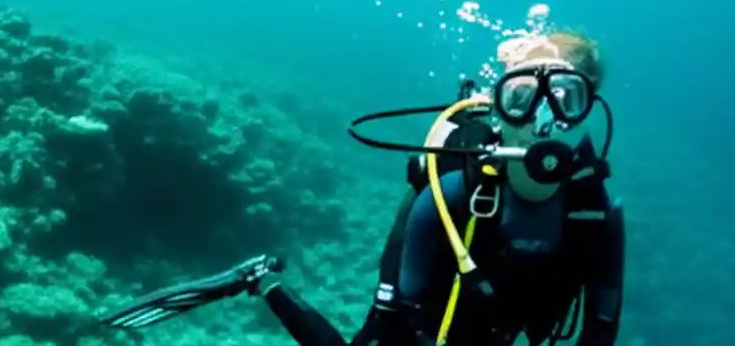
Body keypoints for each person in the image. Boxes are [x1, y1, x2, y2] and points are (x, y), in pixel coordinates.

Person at [100, 30, 625, 346]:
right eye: (521, 97)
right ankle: (261, 279)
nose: (541, 119)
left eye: (565, 98)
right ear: (498, 103)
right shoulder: (456, 192)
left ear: (587, 109)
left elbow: (600, 330)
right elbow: (405, 311)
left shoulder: (593, 213)